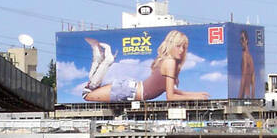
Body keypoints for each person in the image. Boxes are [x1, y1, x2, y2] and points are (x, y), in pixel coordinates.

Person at [82, 30, 210, 102]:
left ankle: (100, 57)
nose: (181, 50)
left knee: (89, 90)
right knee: (86, 95)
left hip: (129, 88)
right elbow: (170, 97)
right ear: (170, 45)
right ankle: (105, 60)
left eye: (184, 47)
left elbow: (171, 90)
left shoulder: (168, 61)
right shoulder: (170, 62)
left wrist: (195, 94)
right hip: (129, 91)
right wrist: (195, 97)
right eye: (178, 46)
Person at [236, 29, 257, 99]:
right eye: (240, 40)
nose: (241, 42)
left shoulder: (245, 55)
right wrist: (253, 98)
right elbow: (253, 83)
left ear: (246, 40)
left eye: (242, 39)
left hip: (243, 95)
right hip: (249, 96)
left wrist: (239, 97)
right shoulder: (251, 58)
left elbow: (243, 77)